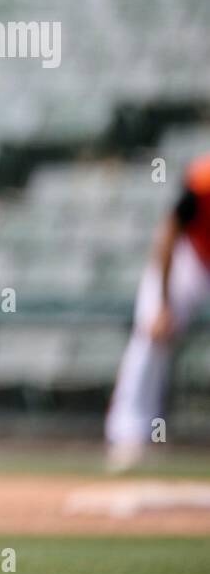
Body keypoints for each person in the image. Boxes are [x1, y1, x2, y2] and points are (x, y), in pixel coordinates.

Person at [105, 153, 210, 471]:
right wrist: (163, 303)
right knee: (151, 334)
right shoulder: (204, 180)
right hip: (191, 260)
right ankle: (130, 435)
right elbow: (169, 234)